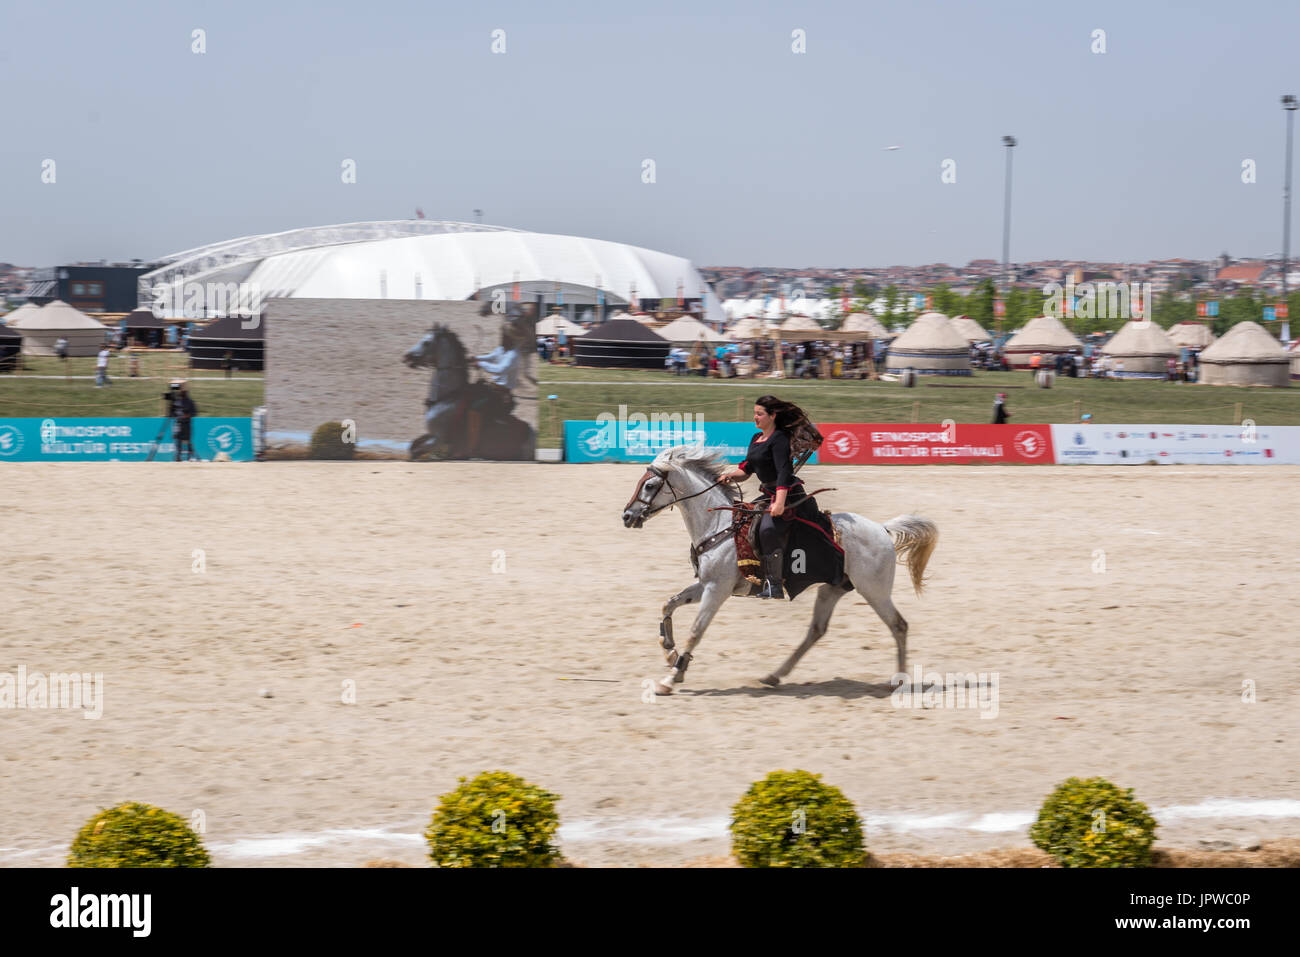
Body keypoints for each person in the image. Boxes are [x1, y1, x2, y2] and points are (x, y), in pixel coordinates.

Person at [718, 395, 840, 600]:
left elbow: (784, 472)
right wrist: (729, 476)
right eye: (754, 413)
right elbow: (747, 469)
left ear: (772, 415)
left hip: (788, 494)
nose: (755, 417)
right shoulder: (756, 439)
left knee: (767, 528)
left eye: (759, 414)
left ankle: (774, 585)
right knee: (743, 519)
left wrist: (780, 502)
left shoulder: (780, 439)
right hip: (767, 494)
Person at [162, 380, 199, 461]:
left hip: (186, 423)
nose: (180, 393)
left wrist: (187, 415)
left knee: (188, 440)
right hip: (178, 423)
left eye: (182, 391)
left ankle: (190, 456)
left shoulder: (190, 402)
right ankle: (178, 456)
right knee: (178, 439)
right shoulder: (176, 401)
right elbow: (172, 412)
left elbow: (194, 412)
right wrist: (171, 412)